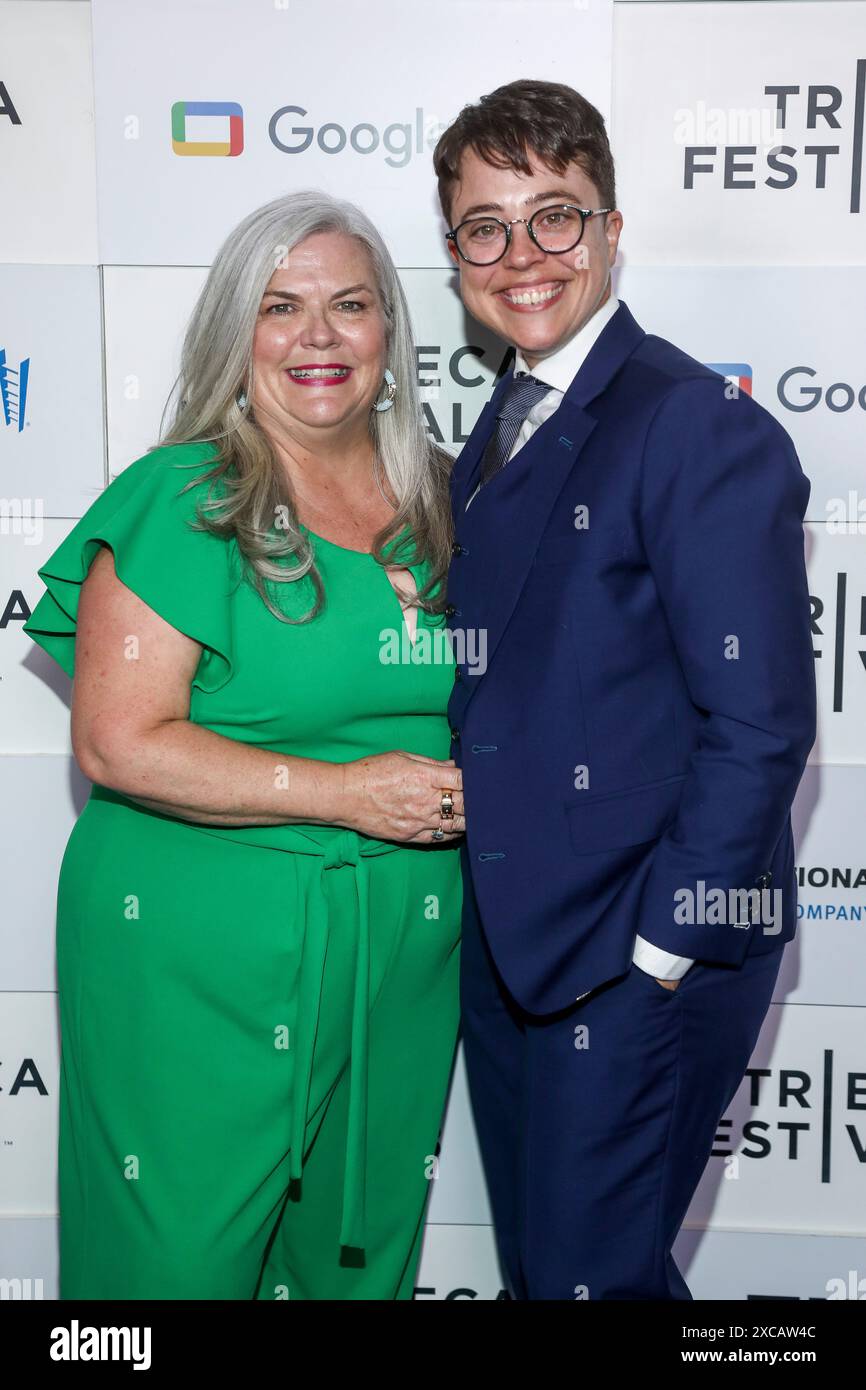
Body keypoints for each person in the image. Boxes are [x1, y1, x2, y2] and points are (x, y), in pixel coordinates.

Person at [23, 190, 464, 1300]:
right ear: (237, 331)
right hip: (198, 954)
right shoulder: (187, 498)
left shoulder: (446, 496)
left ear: (389, 334)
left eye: (349, 305)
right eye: (281, 306)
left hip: (398, 951)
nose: (317, 336)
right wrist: (343, 792)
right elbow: (121, 743)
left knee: (353, 1264)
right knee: (173, 1266)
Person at [433, 79, 816, 1300]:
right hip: (511, 946)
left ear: (608, 226)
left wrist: (657, 952)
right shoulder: (502, 421)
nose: (521, 254)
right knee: (562, 1280)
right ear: (453, 256)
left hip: (630, 954)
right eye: (483, 227)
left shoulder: (692, 422)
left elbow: (757, 723)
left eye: (554, 216)